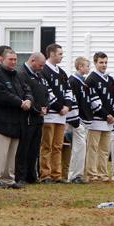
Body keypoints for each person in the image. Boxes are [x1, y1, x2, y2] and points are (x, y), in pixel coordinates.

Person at [0, 47, 29, 189]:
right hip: (0, 121)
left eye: (15, 59)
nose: (13, 62)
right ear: (0, 59)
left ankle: (8, 179)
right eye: (10, 59)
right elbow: (1, 95)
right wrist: (20, 102)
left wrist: (28, 100)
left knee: (11, 153)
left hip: (15, 121)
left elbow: (27, 90)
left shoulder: (17, 75)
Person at [39, 44, 74, 183]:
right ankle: (45, 174)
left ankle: (56, 174)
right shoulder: (44, 71)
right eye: (59, 53)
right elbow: (46, 91)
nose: (62, 56)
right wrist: (59, 106)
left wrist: (68, 106)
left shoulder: (62, 72)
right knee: (47, 145)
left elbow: (68, 90)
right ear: (52, 54)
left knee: (58, 146)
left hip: (62, 115)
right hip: (50, 114)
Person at [15, 52, 48, 185]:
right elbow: (25, 94)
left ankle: (31, 175)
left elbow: (45, 93)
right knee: (24, 148)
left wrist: (46, 107)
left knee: (34, 148)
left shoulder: (39, 75)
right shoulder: (22, 74)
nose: (41, 68)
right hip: (27, 117)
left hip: (39, 117)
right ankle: (21, 176)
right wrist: (36, 110)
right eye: (40, 65)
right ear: (32, 61)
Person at [84, 52, 114, 183]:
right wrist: (105, 114)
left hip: (109, 121)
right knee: (93, 148)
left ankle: (103, 173)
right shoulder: (91, 79)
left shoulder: (110, 79)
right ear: (95, 63)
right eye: (101, 62)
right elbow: (93, 100)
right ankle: (92, 174)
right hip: (96, 120)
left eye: (105, 62)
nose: (104, 65)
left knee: (104, 150)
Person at [66, 57, 91, 183]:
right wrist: (74, 118)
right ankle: (74, 175)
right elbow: (72, 100)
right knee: (78, 147)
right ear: (80, 66)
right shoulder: (73, 81)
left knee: (81, 147)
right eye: (86, 66)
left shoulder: (83, 82)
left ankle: (78, 174)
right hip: (76, 119)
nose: (88, 68)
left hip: (83, 118)